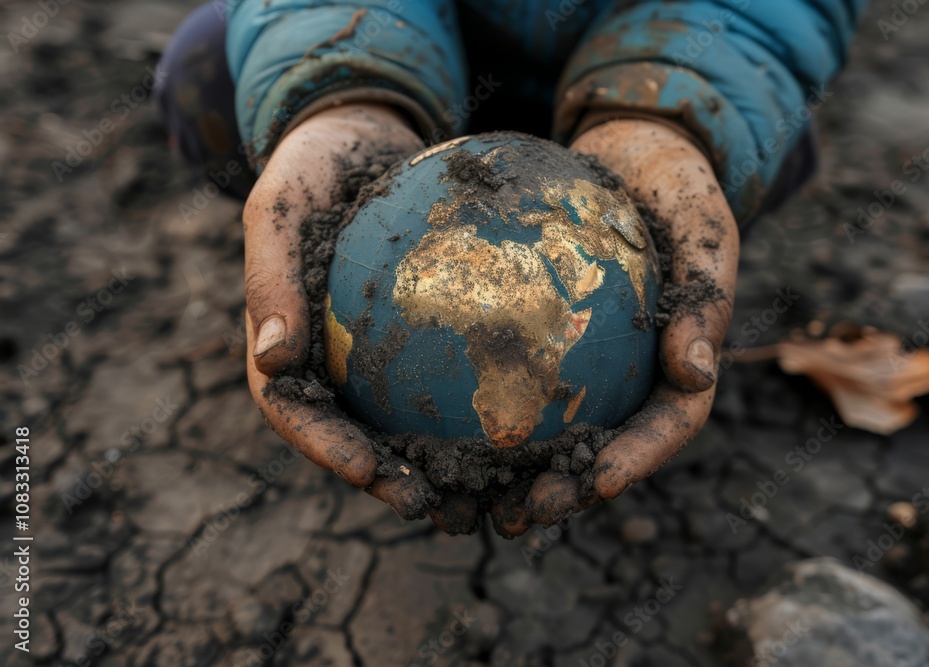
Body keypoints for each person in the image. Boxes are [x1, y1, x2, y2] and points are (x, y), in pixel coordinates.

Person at [157, 0, 868, 536]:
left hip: (632, 73)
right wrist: (347, 88)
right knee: (206, 70)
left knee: (760, 138)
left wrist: (673, 101)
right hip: (426, 62)